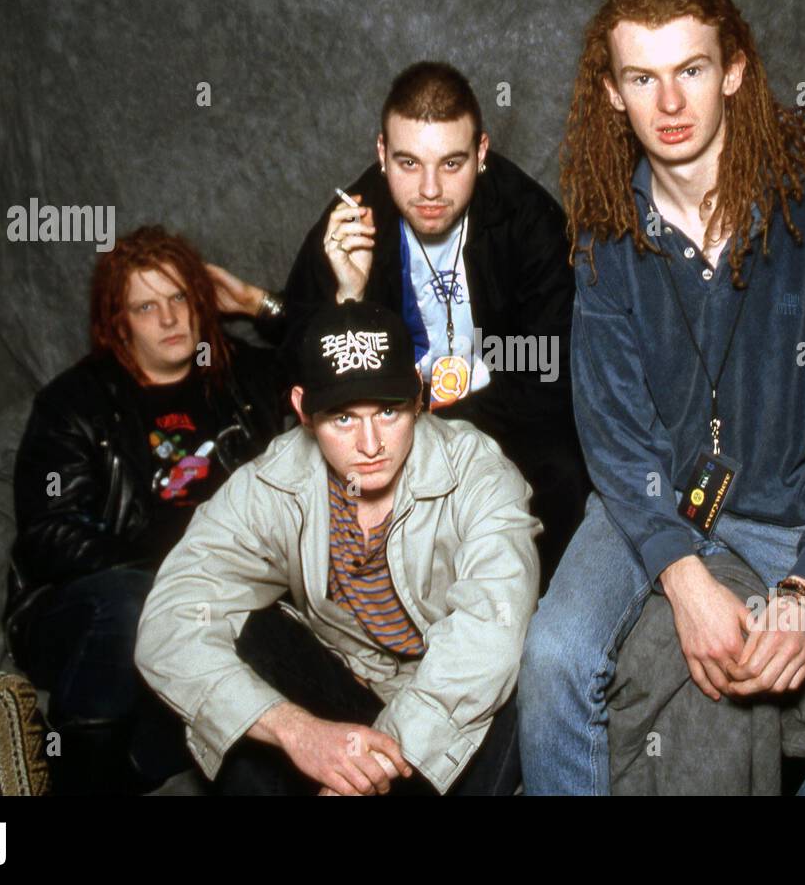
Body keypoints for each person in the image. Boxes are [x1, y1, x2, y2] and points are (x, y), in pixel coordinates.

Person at [518, 0, 805, 795]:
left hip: (796, 500)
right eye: (643, 77)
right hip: (652, 491)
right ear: (612, 92)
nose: (669, 104)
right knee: (553, 658)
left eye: (691, 70)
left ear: (735, 71)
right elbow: (612, 426)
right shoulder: (605, 222)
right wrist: (683, 574)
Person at [134, 299, 539, 795]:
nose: (370, 444)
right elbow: (168, 624)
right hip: (348, 695)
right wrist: (296, 732)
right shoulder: (273, 484)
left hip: (449, 709)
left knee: (532, 668)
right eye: (343, 418)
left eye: (388, 411)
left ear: (418, 394)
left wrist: (364, 776)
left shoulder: (478, 473)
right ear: (303, 409)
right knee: (249, 633)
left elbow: (487, 636)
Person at [205, 62, 586, 585]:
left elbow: (552, 377)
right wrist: (349, 295)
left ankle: (533, 635)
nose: (430, 189)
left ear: (481, 155)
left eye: (452, 164)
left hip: (506, 425)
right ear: (382, 154)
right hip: (384, 429)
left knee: (564, 472)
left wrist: (434, 428)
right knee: (299, 478)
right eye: (408, 162)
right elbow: (300, 370)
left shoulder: (529, 222)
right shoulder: (354, 219)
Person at [5, 225, 285, 794]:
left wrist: (259, 304)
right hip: (94, 605)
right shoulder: (74, 404)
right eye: (146, 305)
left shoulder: (236, 378)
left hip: (216, 589)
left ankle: (146, 758)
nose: (170, 318)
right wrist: (172, 570)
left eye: (180, 297)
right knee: (138, 602)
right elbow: (50, 534)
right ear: (119, 323)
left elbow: (331, 356)